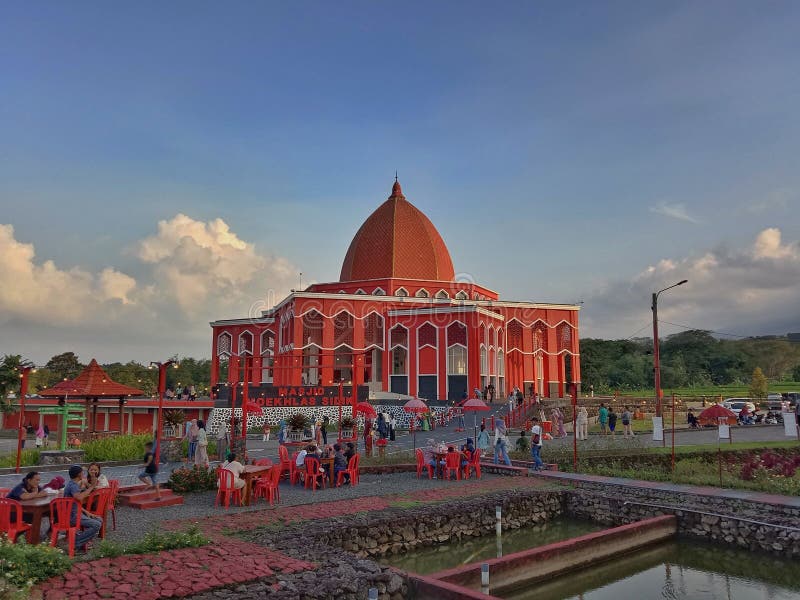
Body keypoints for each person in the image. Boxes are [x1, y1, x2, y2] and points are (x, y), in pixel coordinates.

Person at [64, 464, 103, 552]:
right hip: (72, 516)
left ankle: (80, 540)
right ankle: (76, 542)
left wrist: (87, 512)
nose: (83, 474)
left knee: (99, 519)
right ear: (79, 474)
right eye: (82, 473)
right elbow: (79, 497)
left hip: (77, 512)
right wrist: (92, 486)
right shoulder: (73, 485)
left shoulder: (73, 484)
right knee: (96, 524)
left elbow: (75, 503)